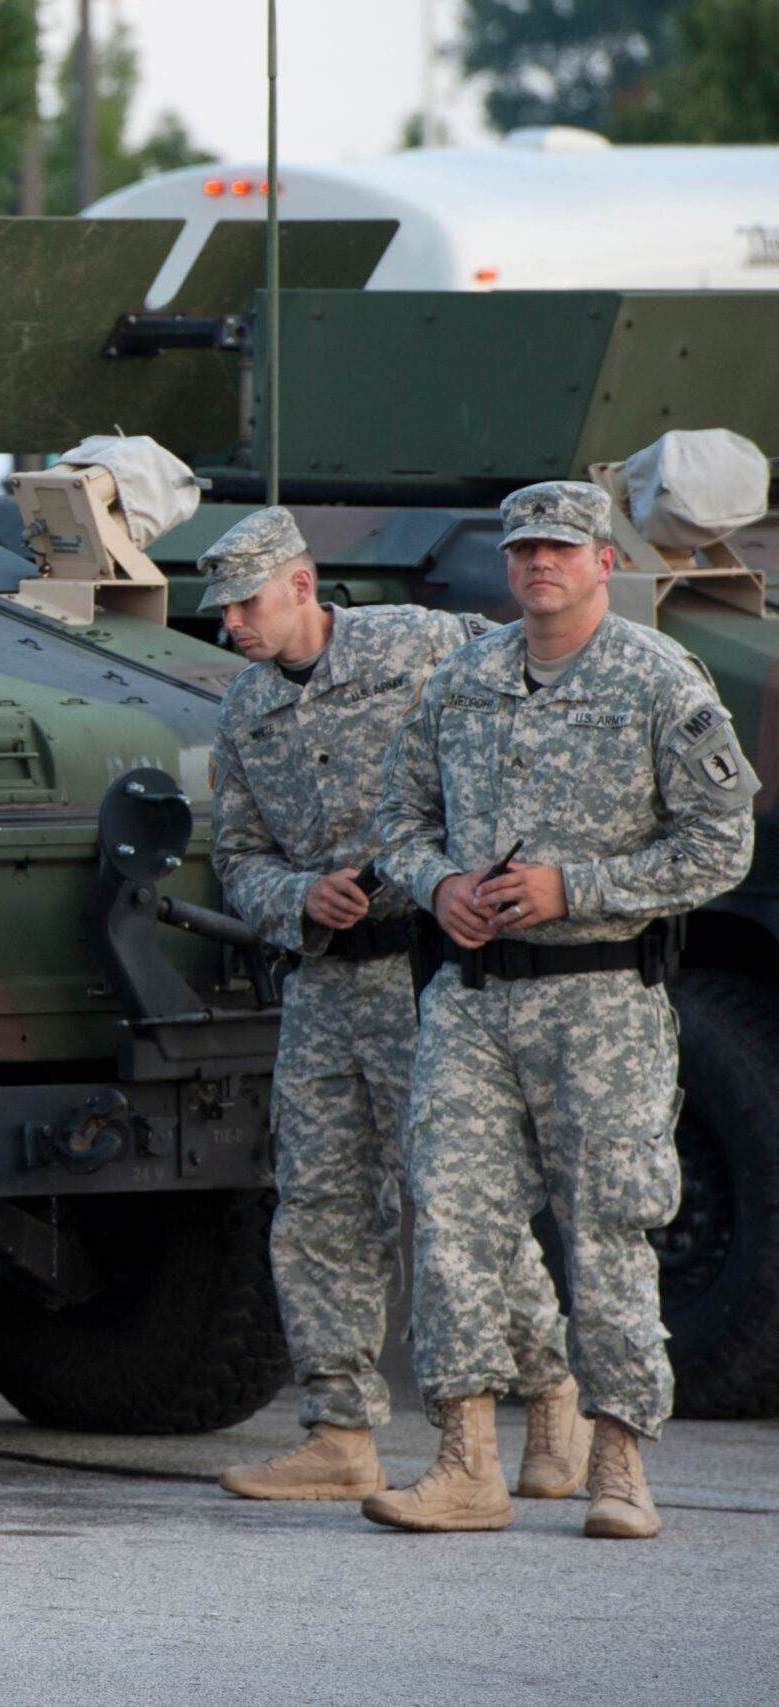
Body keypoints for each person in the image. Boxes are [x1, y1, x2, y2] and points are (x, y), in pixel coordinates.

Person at [368, 480, 758, 1539]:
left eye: (560, 549)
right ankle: (463, 1462)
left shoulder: (657, 678)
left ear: (599, 562)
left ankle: (616, 1464)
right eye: (523, 550)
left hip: (602, 1002)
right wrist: (436, 882)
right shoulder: (465, 677)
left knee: (608, 1233)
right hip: (472, 999)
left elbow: (721, 844)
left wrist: (573, 888)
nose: (539, 565)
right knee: (449, 1221)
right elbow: (397, 816)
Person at [198, 507, 584, 1504]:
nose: (232, 624)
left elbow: (527, 689)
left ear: (299, 583)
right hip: (326, 982)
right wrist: (296, 899)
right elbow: (237, 856)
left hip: (432, 970)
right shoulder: (242, 711)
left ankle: (550, 1402)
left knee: (462, 1198)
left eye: (246, 603)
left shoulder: (418, 639)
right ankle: (337, 1431)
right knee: (318, 1204)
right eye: (222, 609)